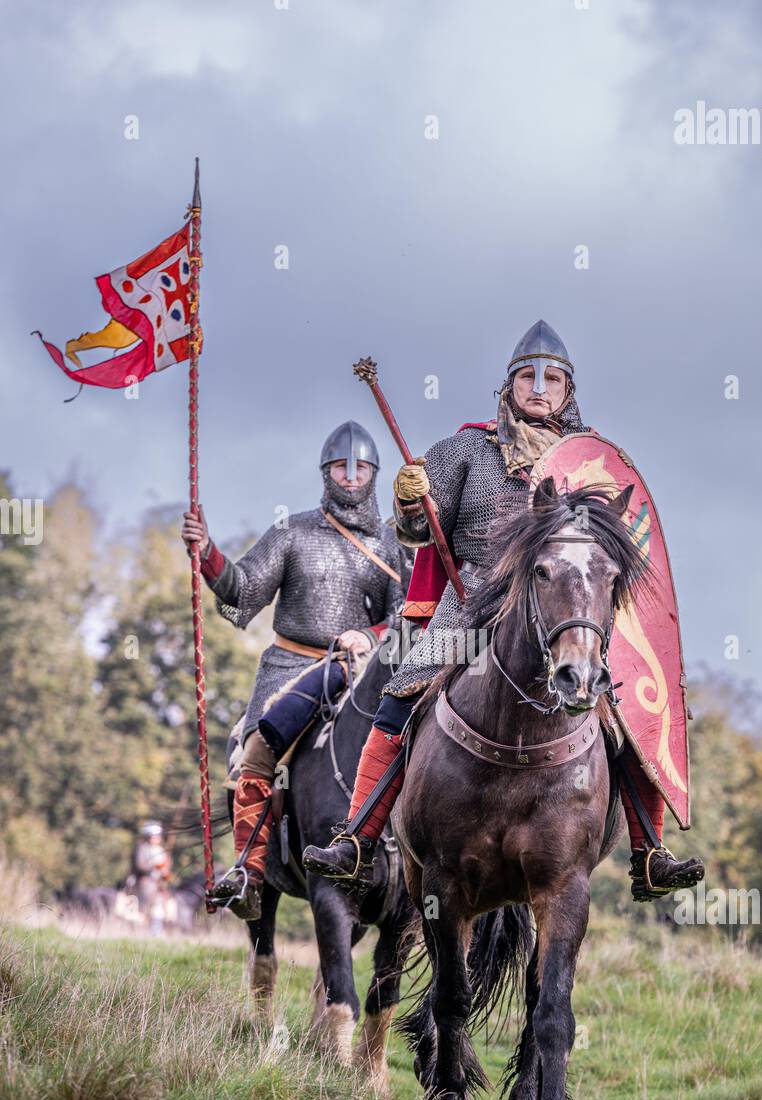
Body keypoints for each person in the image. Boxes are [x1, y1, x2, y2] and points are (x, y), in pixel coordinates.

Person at [304, 320, 704, 902]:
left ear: (569, 390)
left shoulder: (593, 462)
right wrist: (410, 500)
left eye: (553, 378)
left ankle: (649, 854)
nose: (539, 387)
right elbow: (415, 533)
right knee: (402, 693)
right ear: (509, 385)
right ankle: (358, 837)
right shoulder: (468, 450)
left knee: (632, 713)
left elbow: (617, 545)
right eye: (527, 376)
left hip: (565, 604)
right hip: (472, 604)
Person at [181, 421, 405, 919]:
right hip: (289, 667)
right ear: (326, 473)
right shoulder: (293, 531)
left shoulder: (392, 546)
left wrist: (369, 636)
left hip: (359, 671)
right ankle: (250, 871)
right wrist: (207, 552)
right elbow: (241, 589)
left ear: (373, 473)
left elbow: (410, 614)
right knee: (255, 749)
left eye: (360, 467)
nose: (350, 475)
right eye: (341, 467)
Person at [132, 821, 172, 935]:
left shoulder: (161, 850)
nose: (156, 838)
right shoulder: (142, 848)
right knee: (145, 908)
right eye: (154, 836)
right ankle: (141, 931)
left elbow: (166, 865)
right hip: (146, 882)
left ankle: (157, 931)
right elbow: (139, 865)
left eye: (158, 836)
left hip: (160, 884)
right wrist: (153, 867)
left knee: (160, 908)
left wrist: (165, 870)